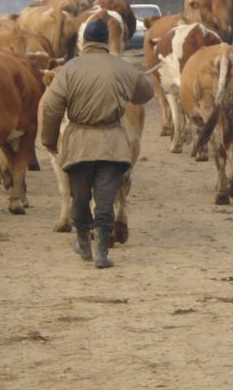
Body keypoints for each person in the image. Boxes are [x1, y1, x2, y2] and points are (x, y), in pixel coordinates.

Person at [40, 17, 153, 268]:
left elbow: (50, 106)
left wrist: (49, 140)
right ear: (106, 40)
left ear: (85, 40)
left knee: (79, 197)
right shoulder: (121, 67)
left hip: (78, 141)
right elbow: (146, 92)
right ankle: (102, 252)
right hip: (112, 142)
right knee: (105, 198)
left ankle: (83, 244)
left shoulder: (69, 69)